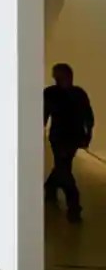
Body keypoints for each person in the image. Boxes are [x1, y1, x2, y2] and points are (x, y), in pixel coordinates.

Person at [45, 63, 94, 223]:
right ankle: (74, 206)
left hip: (73, 138)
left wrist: (87, 136)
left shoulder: (78, 94)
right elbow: (43, 115)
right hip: (59, 138)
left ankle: (51, 189)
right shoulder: (51, 94)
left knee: (63, 167)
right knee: (64, 169)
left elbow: (88, 117)